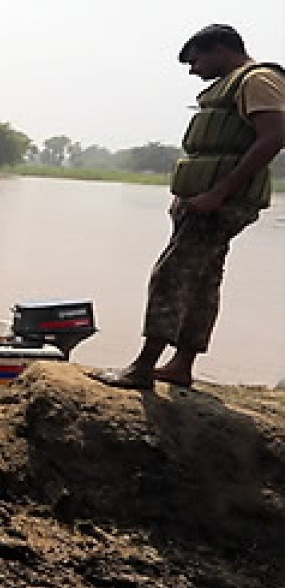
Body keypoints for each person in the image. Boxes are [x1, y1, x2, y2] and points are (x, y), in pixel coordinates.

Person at [93, 25, 285, 390]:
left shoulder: (258, 80)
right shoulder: (234, 84)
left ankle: (142, 368)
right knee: (202, 279)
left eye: (196, 60)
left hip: (222, 202)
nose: (193, 69)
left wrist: (220, 193)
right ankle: (181, 365)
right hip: (208, 201)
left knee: (172, 275)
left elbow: (274, 136)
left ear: (220, 49)